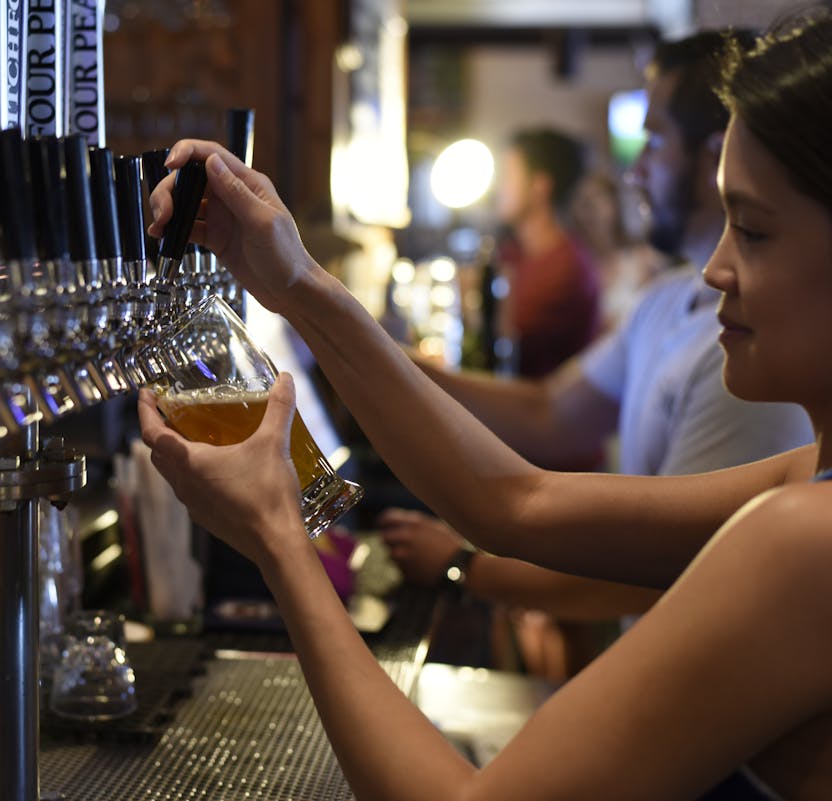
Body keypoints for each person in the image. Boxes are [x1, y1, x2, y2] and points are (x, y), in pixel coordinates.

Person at [139, 7, 832, 798]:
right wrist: (300, 287)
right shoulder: (802, 484)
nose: (714, 269)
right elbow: (513, 501)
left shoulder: (804, 541)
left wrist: (278, 538)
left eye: (755, 231)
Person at [379, 30, 813, 678]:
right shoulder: (668, 299)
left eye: (656, 138)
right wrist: (390, 363)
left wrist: (462, 564)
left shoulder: (750, 362)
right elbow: (550, 410)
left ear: (714, 153)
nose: (634, 168)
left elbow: (662, 573)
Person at [492, 127, 602, 379]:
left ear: (540, 185)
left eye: (508, 175)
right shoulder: (514, 252)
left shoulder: (567, 269)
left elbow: (502, 335)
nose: (499, 188)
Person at [568, 170, 665, 330]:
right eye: (583, 200)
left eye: (598, 197)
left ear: (615, 203)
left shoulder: (643, 260)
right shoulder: (574, 271)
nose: (590, 208)